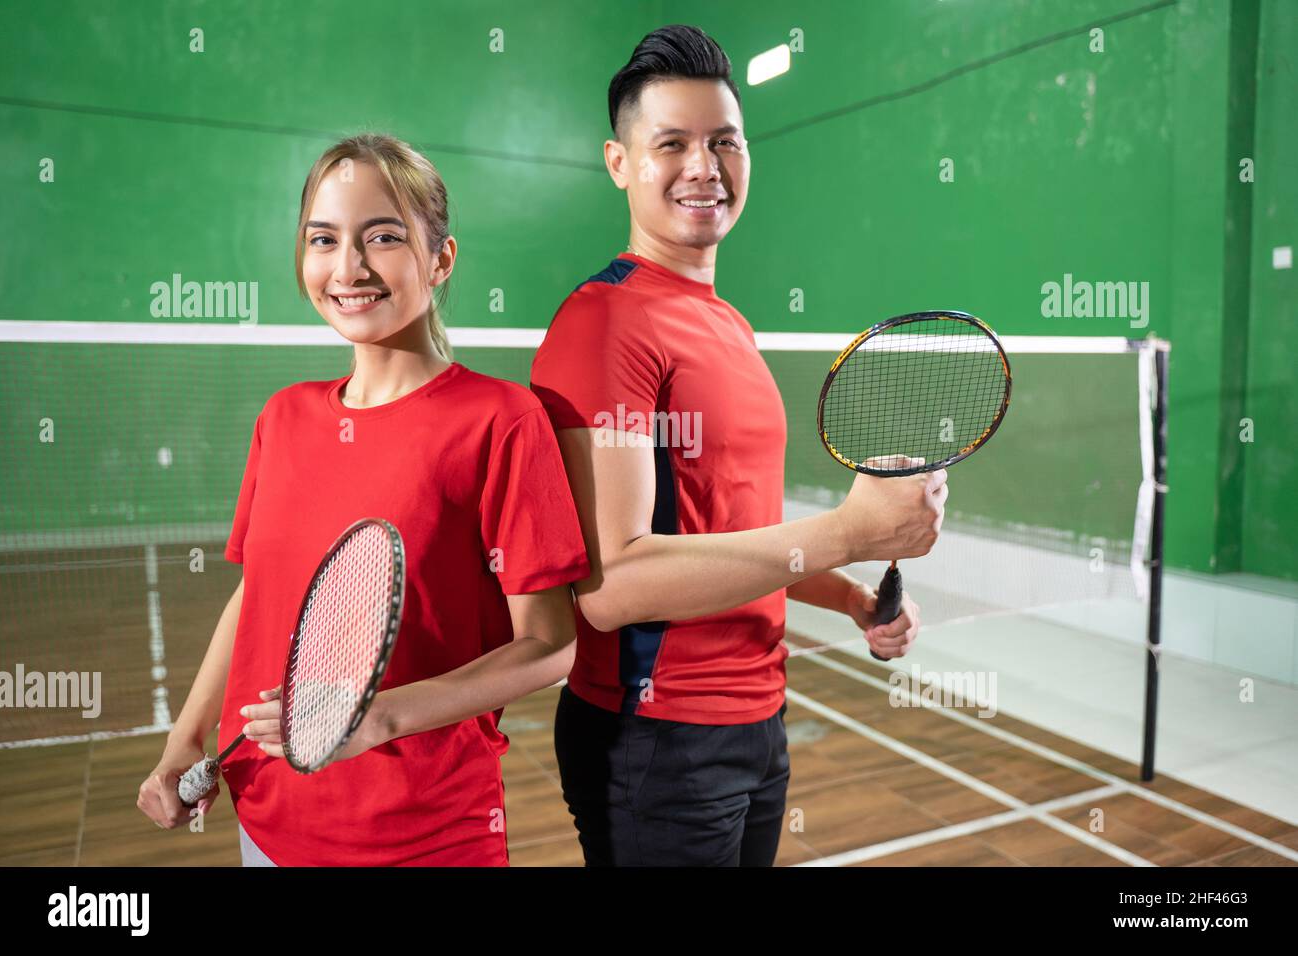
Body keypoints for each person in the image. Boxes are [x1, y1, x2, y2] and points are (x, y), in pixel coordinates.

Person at [530, 25, 947, 866]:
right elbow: (610, 588)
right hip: (657, 741)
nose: (703, 167)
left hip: (756, 722)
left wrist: (853, 597)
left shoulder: (726, 321)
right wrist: (853, 531)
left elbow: (725, 532)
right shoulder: (603, 323)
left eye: (724, 142)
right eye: (672, 144)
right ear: (619, 162)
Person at [138, 133, 589, 866]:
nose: (348, 267)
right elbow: (254, 596)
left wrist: (379, 717)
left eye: (383, 237)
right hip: (269, 820)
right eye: (324, 239)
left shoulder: (501, 420)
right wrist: (184, 740)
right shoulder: (282, 417)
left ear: (441, 260)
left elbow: (551, 643)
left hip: (423, 836)